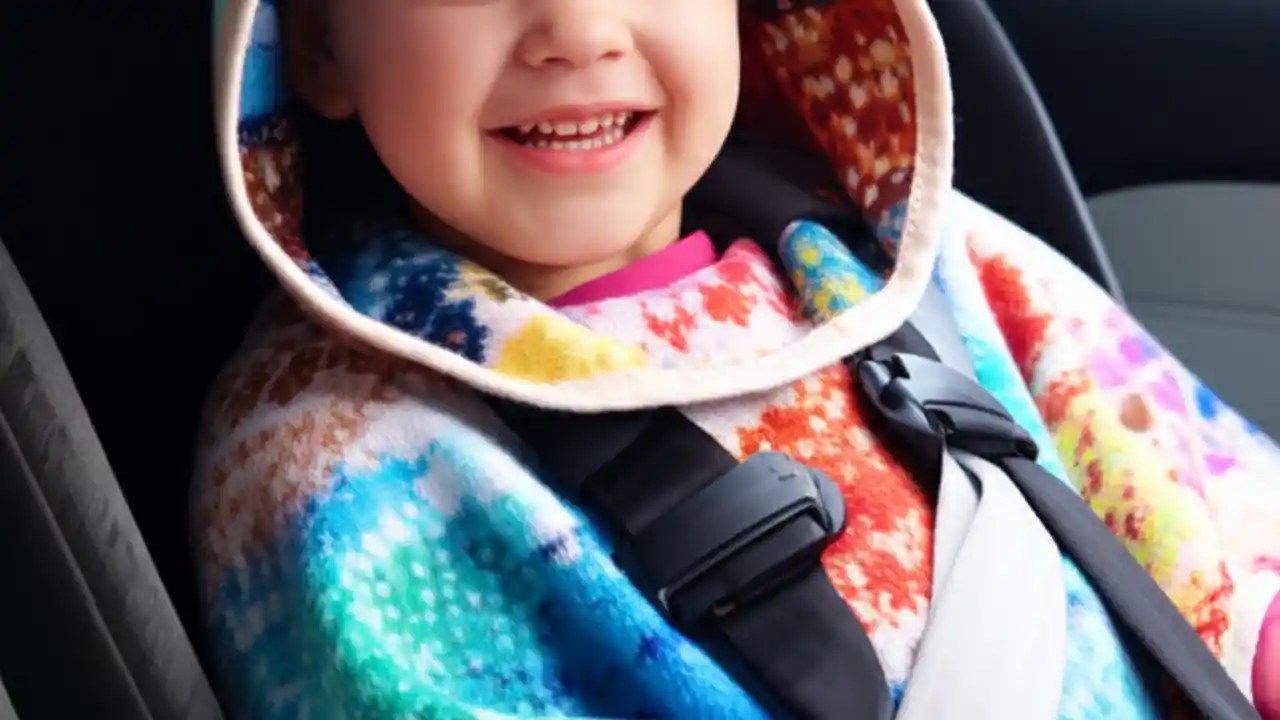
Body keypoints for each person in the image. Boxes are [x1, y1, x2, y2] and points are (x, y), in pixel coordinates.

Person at [197, 0, 1279, 716]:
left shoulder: (899, 254)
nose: (577, 31)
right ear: (321, 43)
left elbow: (1201, 517)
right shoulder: (338, 465)